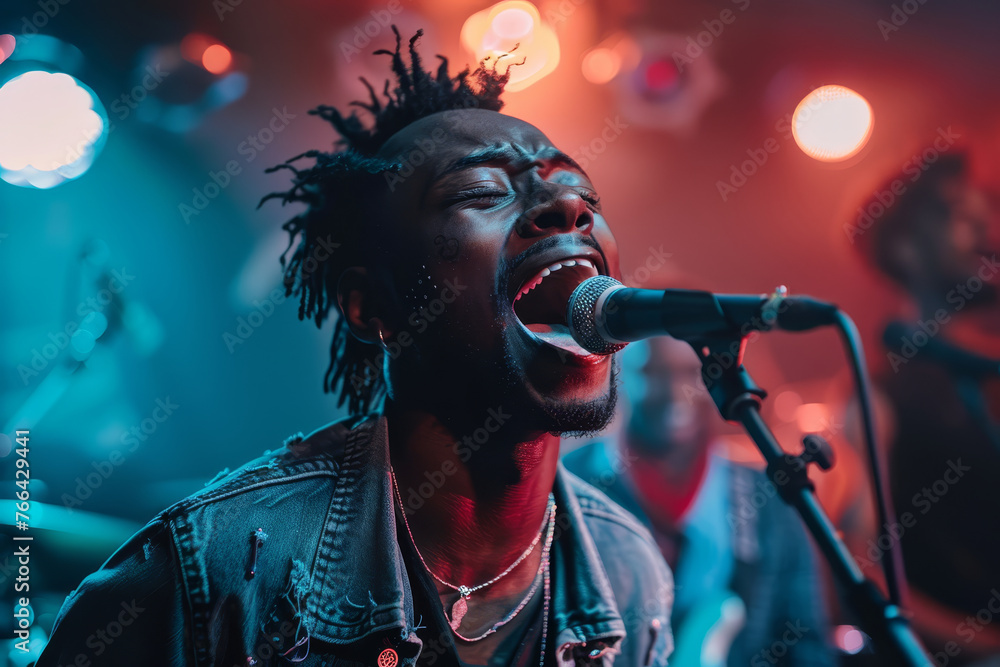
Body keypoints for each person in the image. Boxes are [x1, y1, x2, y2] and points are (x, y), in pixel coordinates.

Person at [35, 28, 674, 667]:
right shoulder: (212, 573)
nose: (569, 208)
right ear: (374, 308)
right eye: (481, 192)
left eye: (585, 195)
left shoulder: (629, 572)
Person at [563, 335, 834, 666]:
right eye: (653, 372)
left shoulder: (766, 500)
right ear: (614, 376)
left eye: (691, 373)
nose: (675, 391)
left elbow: (807, 644)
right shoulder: (569, 485)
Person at [853, 151, 1000, 663]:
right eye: (959, 214)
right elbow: (859, 567)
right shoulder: (874, 394)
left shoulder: (986, 372)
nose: (985, 228)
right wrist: (983, 648)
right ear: (906, 248)